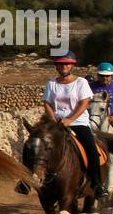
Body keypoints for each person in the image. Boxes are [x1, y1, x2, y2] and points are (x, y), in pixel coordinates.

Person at [44, 54, 107, 203]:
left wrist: (70, 119)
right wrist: (54, 120)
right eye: (61, 64)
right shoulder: (51, 83)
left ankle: (97, 185)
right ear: (56, 66)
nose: (64, 67)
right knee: (34, 143)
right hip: (56, 122)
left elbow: (84, 103)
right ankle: (27, 180)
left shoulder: (81, 82)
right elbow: (47, 103)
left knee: (91, 149)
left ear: (72, 66)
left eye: (67, 64)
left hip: (78, 122)